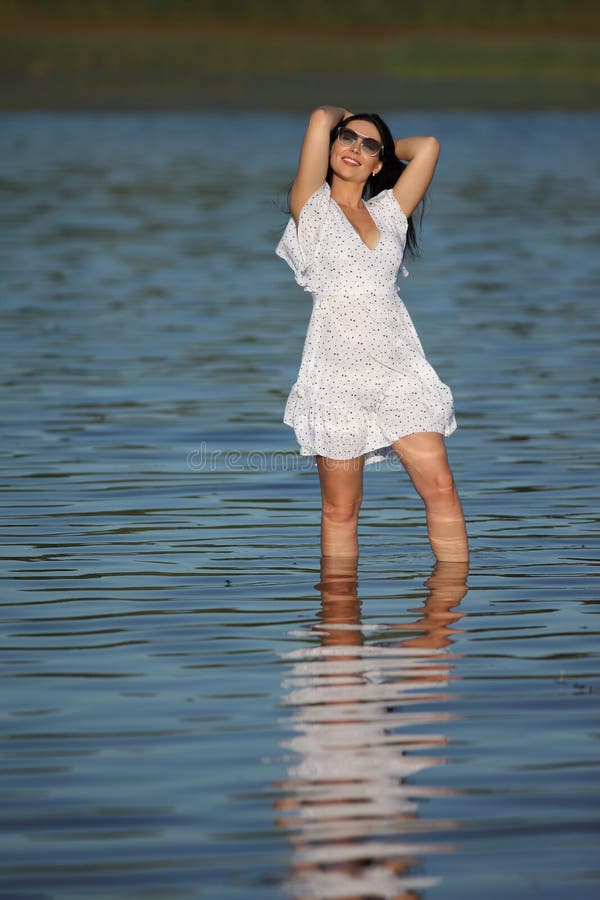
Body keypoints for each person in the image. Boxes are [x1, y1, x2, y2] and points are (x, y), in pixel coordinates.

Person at [276, 105, 469, 563]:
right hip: (335, 379)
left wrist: (382, 140)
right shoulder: (312, 209)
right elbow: (321, 115)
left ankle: (444, 619)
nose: (355, 149)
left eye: (368, 147)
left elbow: (428, 148)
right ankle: (339, 625)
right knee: (341, 510)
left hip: (399, 372)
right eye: (347, 140)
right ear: (330, 147)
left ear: (380, 163)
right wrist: (344, 125)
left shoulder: (390, 212)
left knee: (440, 487)